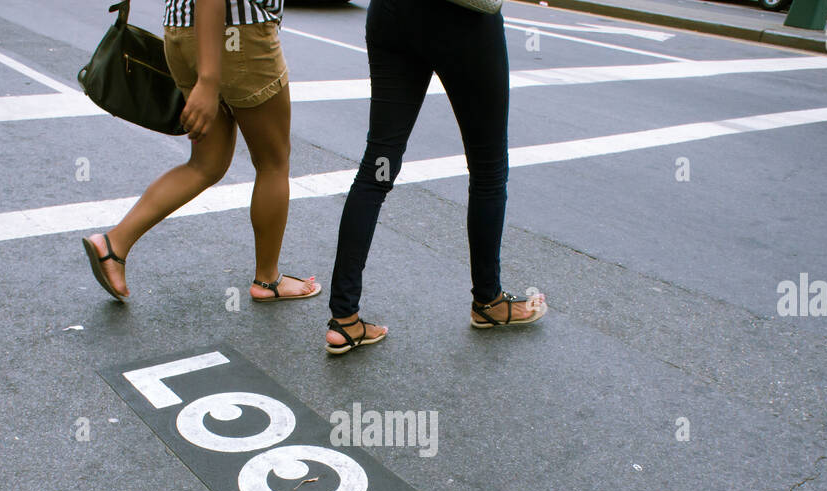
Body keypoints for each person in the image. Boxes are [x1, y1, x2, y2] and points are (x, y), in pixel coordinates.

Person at [323, 0, 546, 355]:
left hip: (393, 14)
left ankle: (344, 318)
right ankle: (488, 301)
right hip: (462, 19)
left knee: (377, 167)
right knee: (488, 167)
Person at [83, 0, 319, 304]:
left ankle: (113, 245)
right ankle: (268, 279)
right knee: (273, 162)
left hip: (183, 33)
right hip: (234, 35)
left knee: (206, 164)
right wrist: (209, 81)